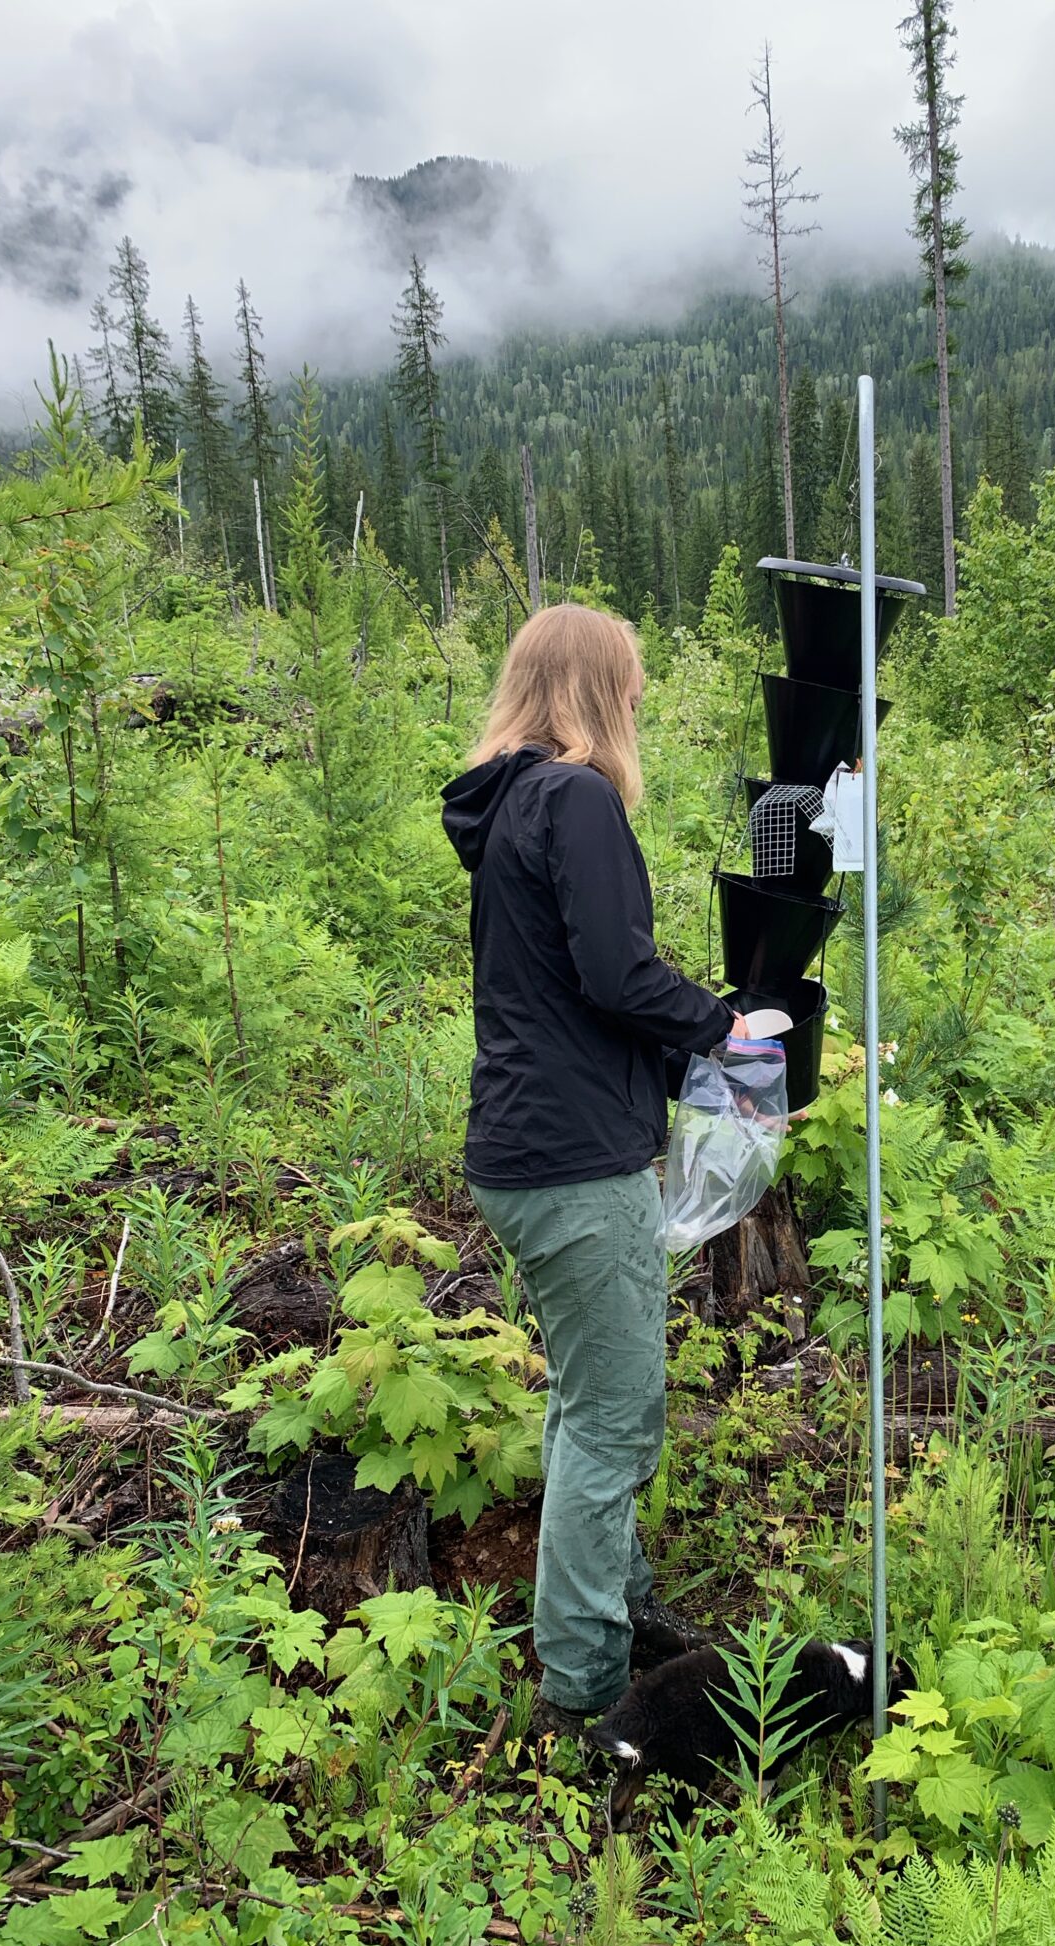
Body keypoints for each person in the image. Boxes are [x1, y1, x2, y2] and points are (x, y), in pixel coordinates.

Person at [441, 604, 746, 1736]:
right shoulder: (575, 797)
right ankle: (583, 1684)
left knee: (585, 1401)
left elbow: (575, 985)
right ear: (593, 688)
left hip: (523, 1148)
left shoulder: (512, 801)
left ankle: (616, 1601)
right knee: (616, 1418)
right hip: (573, 1161)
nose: (640, 703)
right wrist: (725, 1029)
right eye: (633, 683)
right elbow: (618, 972)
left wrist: (688, 1042)